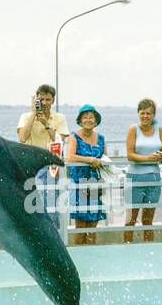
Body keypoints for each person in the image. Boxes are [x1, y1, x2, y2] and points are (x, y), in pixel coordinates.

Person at [17, 84, 69, 219]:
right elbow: (22, 138)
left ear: (53, 100)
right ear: (36, 99)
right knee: (31, 205)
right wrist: (33, 114)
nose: (45, 103)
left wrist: (46, 123)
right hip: (30, 165)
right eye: (41, 99)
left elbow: (59, 140)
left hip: (50, 166)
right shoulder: (25, 117)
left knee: (52, 206)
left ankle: (54, 228)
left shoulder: (59, 118)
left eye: (48, 99)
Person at [124, 98, 162, 243]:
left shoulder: (159, 129)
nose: (145, 116)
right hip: (134, 177)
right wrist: (148, 158)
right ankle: (127, 248)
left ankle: (149, 248)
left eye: (148, 113)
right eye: (142, 113)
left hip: (154, 178)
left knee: (148, 220)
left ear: (154, 115)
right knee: (130, 219)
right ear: (138, 113)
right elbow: (130, 155)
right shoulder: (133, 129)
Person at [66, 105, 106, 245]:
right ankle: (79, 254)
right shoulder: (74, 137)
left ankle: (91, 253)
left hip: (95, 184)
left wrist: (103, 162)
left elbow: (105, 157)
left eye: (91, 117)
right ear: (80, 120)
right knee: (81, 226)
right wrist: (90, 160)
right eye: (85, 117)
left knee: (93, 226)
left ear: (96, 121)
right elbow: (70, 157)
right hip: (79, 184)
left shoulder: (101, 138)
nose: (88, 120)